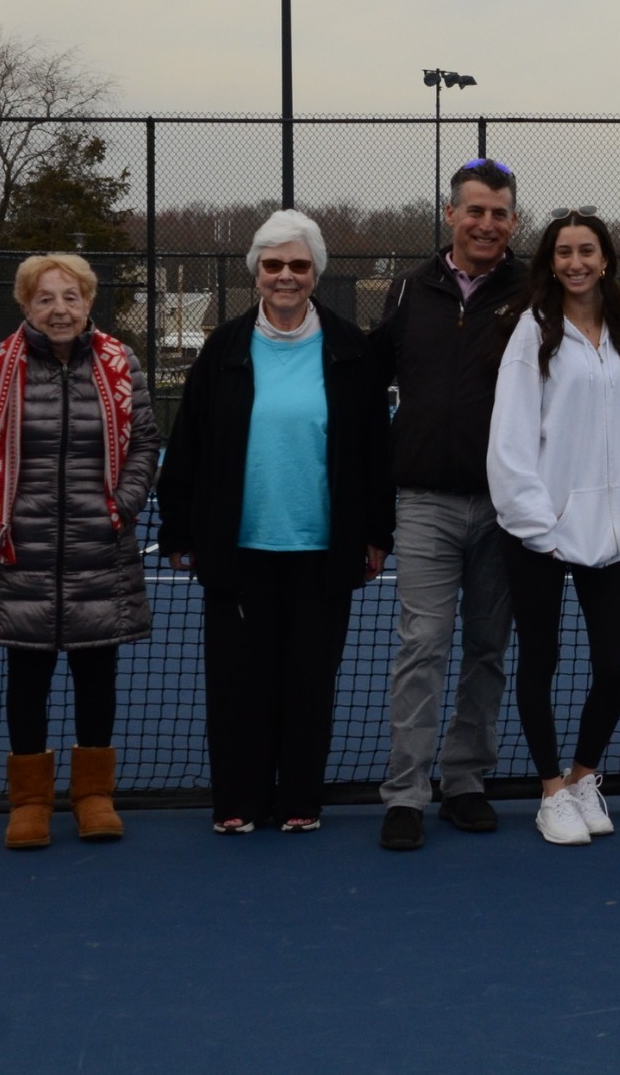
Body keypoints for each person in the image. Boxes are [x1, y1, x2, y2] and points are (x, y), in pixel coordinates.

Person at [157, 209, 392, 835]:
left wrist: (376, 533)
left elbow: (373, 449)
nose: (285, 276)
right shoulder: (224, 347)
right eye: (273, 265)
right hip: (238, 548)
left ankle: (300, 802)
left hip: (324, 548)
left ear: (315, 272)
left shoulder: (349, 347)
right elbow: (190, 445)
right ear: (256, 273)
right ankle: (238, 801)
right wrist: (178, 528)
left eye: (298, 265)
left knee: (309, 682)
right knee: (239, 683)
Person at [0, 254, 162, 849]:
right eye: (44, 299)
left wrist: (120, 506)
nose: (59, 309)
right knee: (28, 676)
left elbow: (145, 443)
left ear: (88, 302)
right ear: (25, 306)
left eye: (70, 297)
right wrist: (4, 510)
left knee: (98, 672)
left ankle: (94, 796)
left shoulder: (121, 362)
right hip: (24, 547)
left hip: (102, 545)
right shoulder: (1, 363)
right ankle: (30, 801)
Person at [370, 158, 527, 851]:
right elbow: (371, 383)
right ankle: (406, 792)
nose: (486, 223)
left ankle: (465, 781)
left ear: (513, 221)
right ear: (450, 214)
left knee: (488, 651)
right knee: (421, 647)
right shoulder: (408, 289)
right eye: (475, 211)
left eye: (499, 213)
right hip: (425, 501)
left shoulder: (535, 291)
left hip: (506, 507)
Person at [487, 210, 620, 847]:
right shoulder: (532, 332)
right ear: (551, 264)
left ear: (605, 260)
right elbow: (512, 433)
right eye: (564, 252)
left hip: (613, 535)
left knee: (611, 669)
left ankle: (583, 777)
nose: (576, 262)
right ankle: (551, 790)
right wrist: (535, 522)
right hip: (541, 532)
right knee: (541, 661)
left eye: (588, 251)